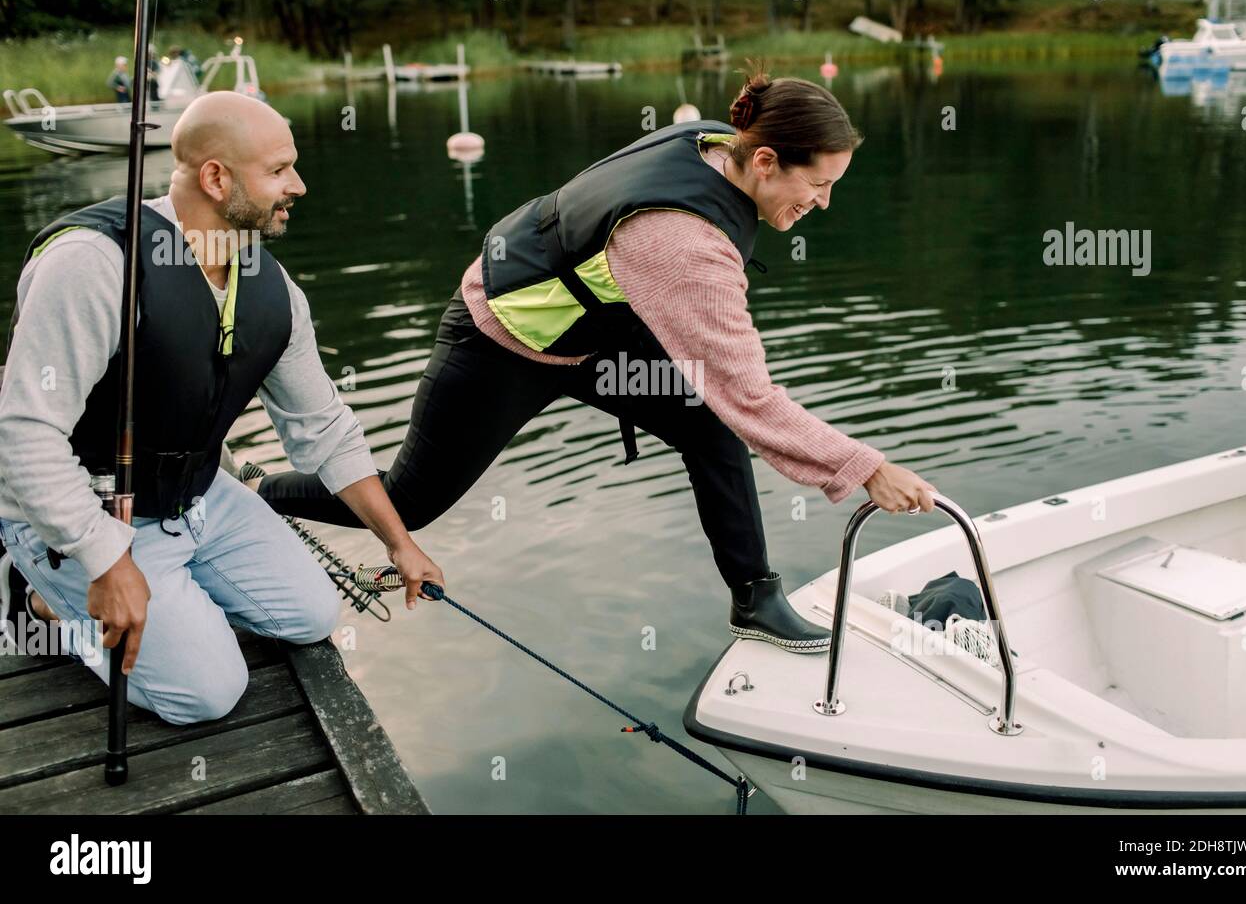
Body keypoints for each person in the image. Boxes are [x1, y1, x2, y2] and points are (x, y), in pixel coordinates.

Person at [249, 63, 937, 655]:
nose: (822, 202)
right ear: (763, 162)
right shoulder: (682, 245)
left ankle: (754, 598)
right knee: (411, 500)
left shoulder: (718, 143)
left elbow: (729, 399)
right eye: (817, 185)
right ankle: (261, 494)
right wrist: (866, 467)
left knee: (707, 417)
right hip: (501, 340)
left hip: (594, 336)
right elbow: (754, 397)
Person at [0, 91, 444, 725]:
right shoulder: (92, 265)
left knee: (311, 616)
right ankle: (32, 596)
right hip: (82, 512)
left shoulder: (272, 288)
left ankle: (153, 589)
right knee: (206, 693)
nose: (299, 185)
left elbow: (325, 430)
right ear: (216, 177)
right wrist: (105, 559)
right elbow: (25, 435)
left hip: (198, 497)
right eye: (279, 170)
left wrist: (399, 542)